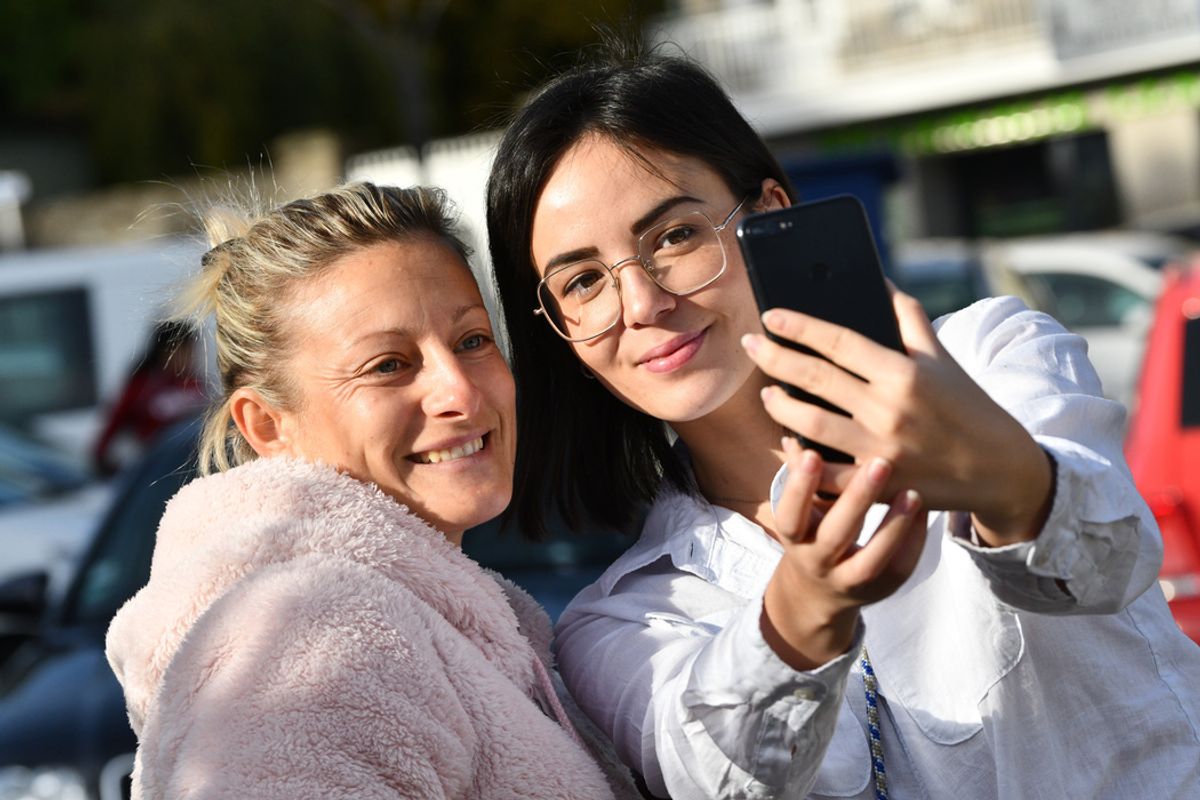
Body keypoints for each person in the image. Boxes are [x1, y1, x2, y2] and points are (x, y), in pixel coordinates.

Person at [485, 47, 1200, 800]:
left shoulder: (986, 358)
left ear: (769, 213)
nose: (641, 304)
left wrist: (999, 476)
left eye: (674, 236)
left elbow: (1114, 557)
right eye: (583, 281)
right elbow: (718, 778)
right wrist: (805, 609)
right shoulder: (625, 618)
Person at [105, 182, 638, 800]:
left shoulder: (427, 619)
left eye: (472, 340)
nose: (459, 392)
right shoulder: (317, 636)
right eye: (388, 365)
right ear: (267, 426)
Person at [92, 320, 206, 475]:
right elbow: (115, 420)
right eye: (184, 351)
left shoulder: (195, 384)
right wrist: (101, 455)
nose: (189, 357)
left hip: (190, 466)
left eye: (192, 351)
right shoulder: (143, 386)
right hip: (154, 468)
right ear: (166, 351)